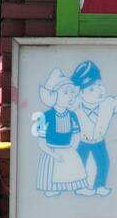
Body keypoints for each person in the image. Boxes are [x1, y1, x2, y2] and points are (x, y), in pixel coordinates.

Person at [70, 60, 117, 197]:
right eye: (91, 89)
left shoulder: (108, 104)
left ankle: (100, 186)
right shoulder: (75, 109)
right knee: (80, 163)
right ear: (81, 94)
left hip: (99, 141)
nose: (99, 90)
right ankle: (79, 186)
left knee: (103, 162)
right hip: (82, 141)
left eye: (99, 85)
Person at [33, 69, 87, 197]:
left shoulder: (72, 115)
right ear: (53, 95)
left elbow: (76, 135)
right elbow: (41, 142)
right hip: (51, 151)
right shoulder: (45, 116)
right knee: (52, 175)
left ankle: (78, 188)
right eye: (66, 92)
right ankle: (51, 188)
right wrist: (54, 154)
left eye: (72, 93)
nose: (70, 96)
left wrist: (71, 149)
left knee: (74, 171)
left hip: (68, 149)